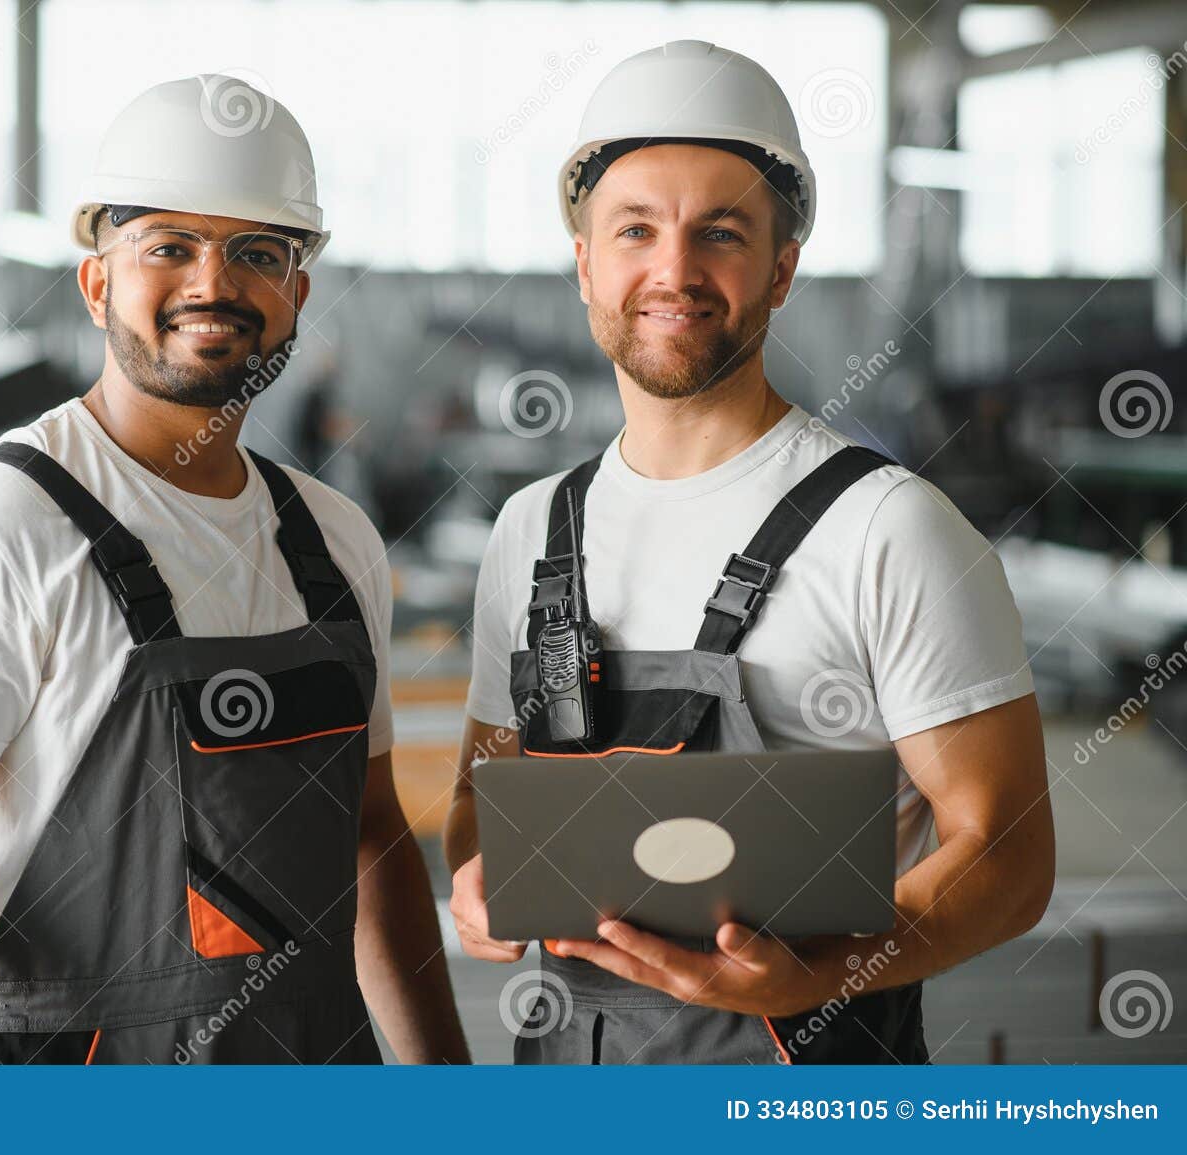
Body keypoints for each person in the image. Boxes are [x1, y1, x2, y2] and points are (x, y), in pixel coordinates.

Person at [444, 41, 1054, 1064]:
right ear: (585, 263)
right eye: (634, 229)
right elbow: (484, 805)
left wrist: (830, 968)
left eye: (719, 233)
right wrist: (475, 884)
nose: (672, 270)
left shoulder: (887, 528)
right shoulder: (531, 531)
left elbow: (1007, 858)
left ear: (780, 270)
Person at [0, 75, 468, 1065]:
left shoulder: (336, 539)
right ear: (98, 284)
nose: (212, 284)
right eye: (169, 247)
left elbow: (374, 840)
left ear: (296, 294)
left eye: (257, 254)